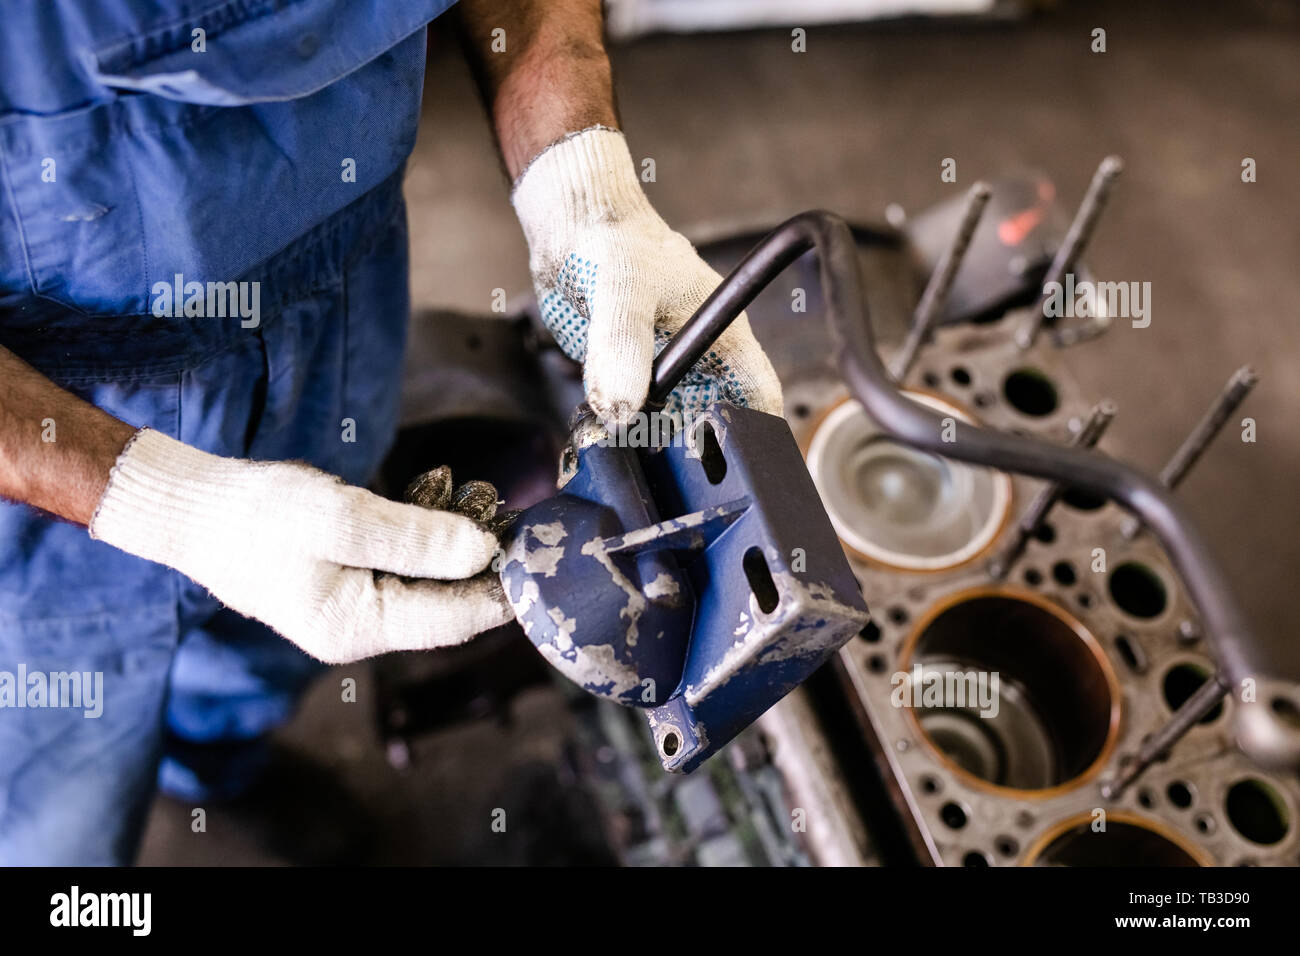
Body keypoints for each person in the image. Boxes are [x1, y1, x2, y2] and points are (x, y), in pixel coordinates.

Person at [0, 0, 782, 864]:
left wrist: (579, 177)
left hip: (339, 306)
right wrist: (155, 501)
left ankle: (218, 766)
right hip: (50, 433)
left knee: (272, 646)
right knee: (60, 775)